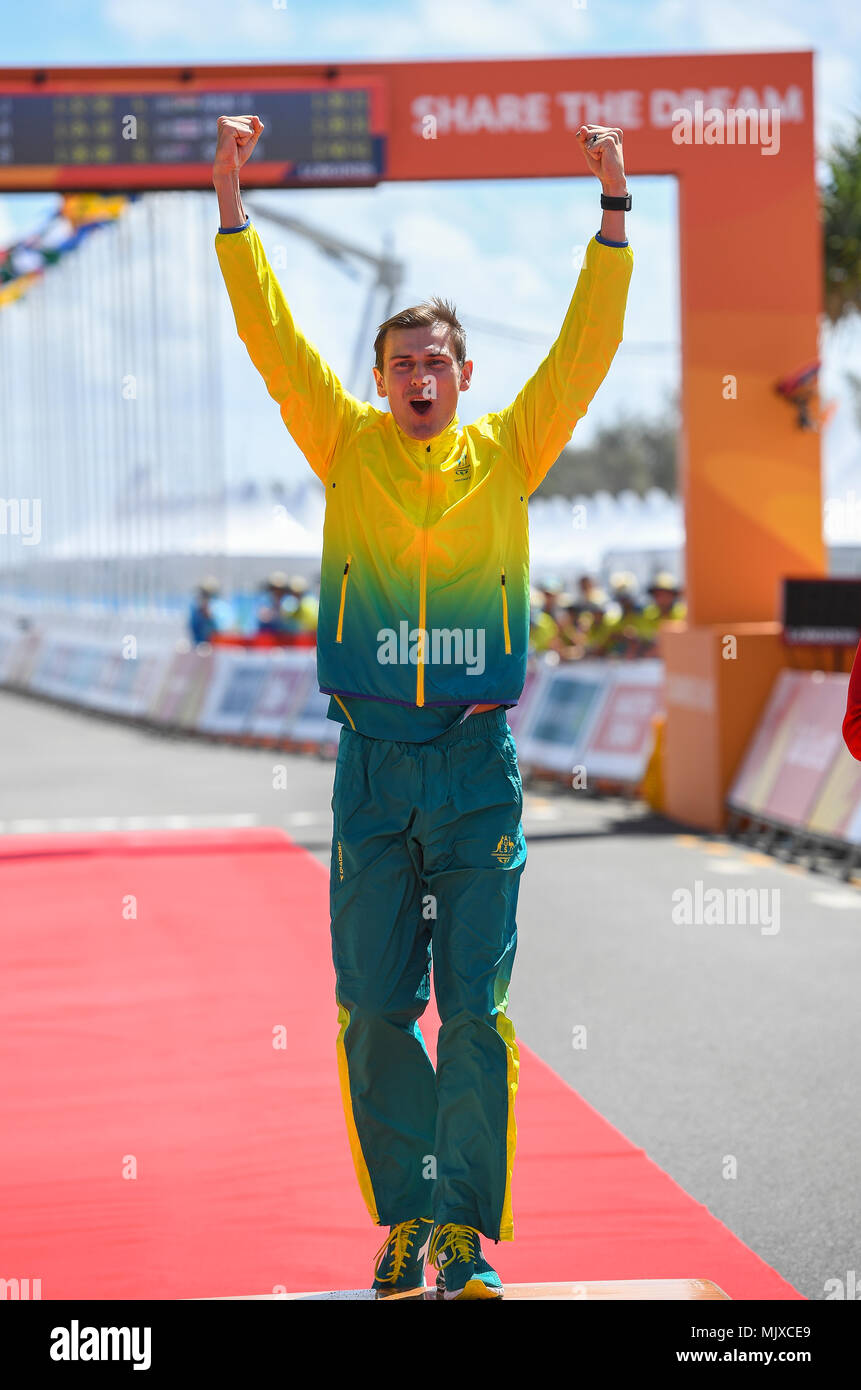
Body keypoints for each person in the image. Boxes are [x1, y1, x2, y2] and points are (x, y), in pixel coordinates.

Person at [213, 113, 632, 1299]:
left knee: (476, 1014)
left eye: (437, 359)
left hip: (475, 766)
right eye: (402, 361)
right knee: (373, 1010)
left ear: (463, 374)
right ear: (381, 377)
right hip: (372, 770)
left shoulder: (509, 452)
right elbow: (271, 338)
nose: (419, 376)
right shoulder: (343, 445)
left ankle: (462, 1235)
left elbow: (586, 353)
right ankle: (405, 1220)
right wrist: (234, 206)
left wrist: (613, 209)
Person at [188, 577, 220, 645]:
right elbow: (193, 626)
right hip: (201, 642)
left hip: (212, 641)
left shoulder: (216, 605)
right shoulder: (196, 606)